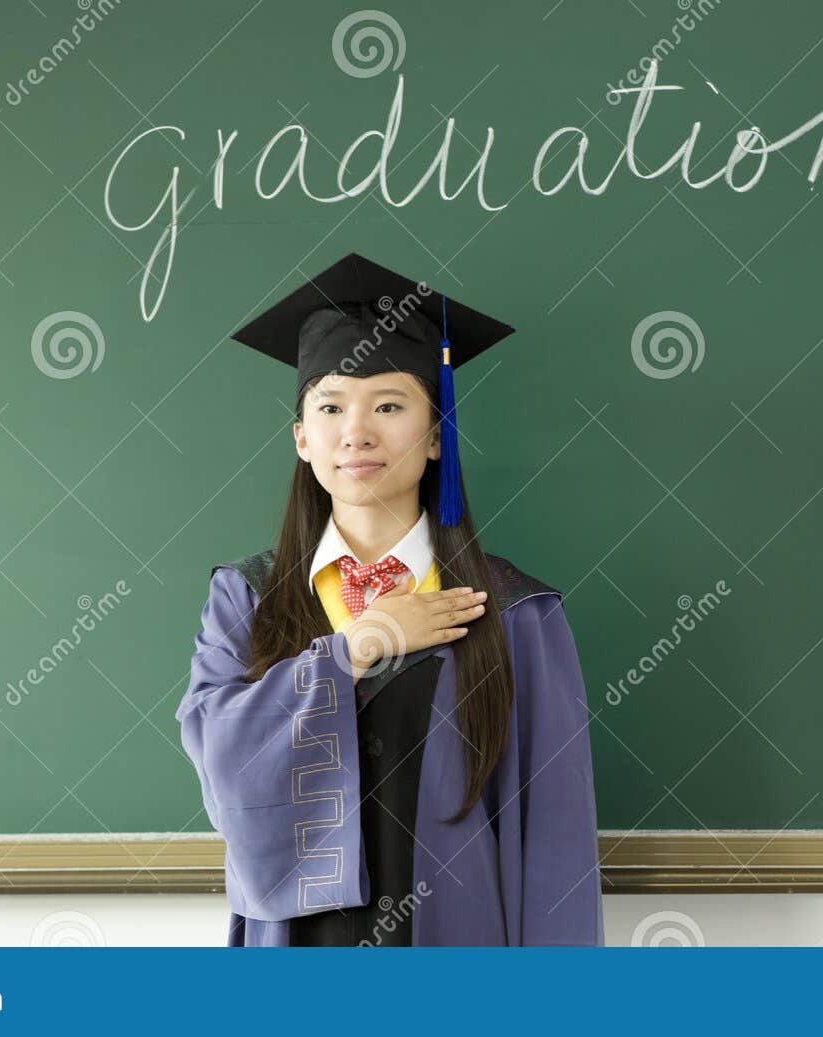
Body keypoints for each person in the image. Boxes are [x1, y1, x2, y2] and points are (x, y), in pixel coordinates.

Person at [176, 252, 604, 946]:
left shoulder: (517, 613)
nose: (357, 430)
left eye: (389, 404)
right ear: (302, 438)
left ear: (436, 437)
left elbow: (556, 847)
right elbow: (222, 763)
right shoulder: (245, 598)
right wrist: (354, 649)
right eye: (331, 405)